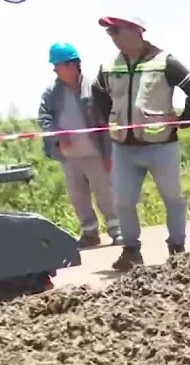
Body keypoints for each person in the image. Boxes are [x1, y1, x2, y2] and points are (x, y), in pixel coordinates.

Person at [92, 14, 190, 272]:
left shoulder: (165, 62)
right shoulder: (109, 67)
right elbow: (98, 92)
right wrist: (112, 118)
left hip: (161, 144)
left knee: (173, 198)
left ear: (136, 30)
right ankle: (131, 252)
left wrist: (185, 120)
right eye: (109, 33)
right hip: (123, 147)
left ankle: (177, 250)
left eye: (116, 31)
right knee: (123, 201)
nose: (113, 37)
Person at [38, 42, 120, 249]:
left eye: (57, 65)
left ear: (72, 65)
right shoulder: (51, 93)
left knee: (105, 192)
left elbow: (107, 119)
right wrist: (58, 135)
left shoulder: (94, 88)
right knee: (78, 196)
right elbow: (44, 118)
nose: (54, 70)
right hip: (69, 156)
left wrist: (109, 153)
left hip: (95, 153)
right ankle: (89, 232)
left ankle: (117, 230)